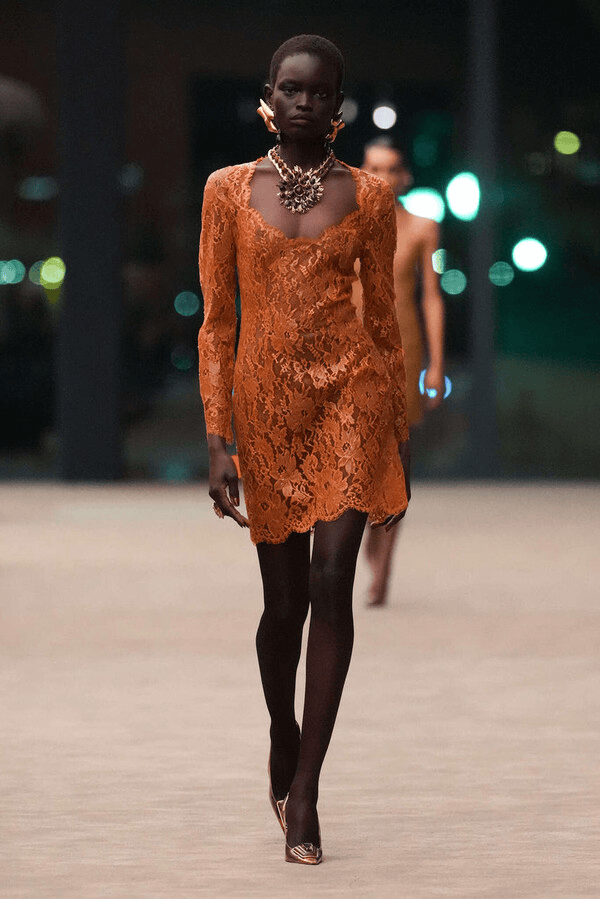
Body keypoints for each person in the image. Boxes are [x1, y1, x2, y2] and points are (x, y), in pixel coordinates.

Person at [197, 35, 410, 865]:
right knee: (283, 605)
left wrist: (393, 438)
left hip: (350, 400)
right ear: (268, 95)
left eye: (319, 93)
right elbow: (216, 324)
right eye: (291, 89)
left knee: (331, 584)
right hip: (265, 411)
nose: (304, 103)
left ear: (338, 106)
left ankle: (309, 787)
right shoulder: (226, 190)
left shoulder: (370, 195)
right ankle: (282, 729)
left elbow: (384, 324)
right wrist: (218, 440)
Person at [352, 136, 445, 607]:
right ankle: (370, 538)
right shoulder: (344, 224)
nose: (382, 177)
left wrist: (436, 365)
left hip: (402, 351)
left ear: (404, 177)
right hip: (350, 351)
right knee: (355, 458)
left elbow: (431, 297)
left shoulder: (423, 227)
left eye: (391, 169)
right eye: (373, 167)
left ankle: (383, 566)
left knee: (396, 462)